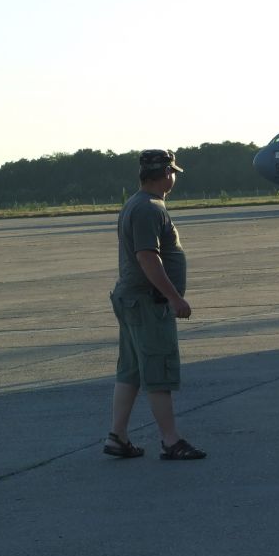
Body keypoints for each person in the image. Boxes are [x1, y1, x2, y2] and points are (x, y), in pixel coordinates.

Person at [104, 150, 206, 460]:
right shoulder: (148, 208)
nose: (173, 177)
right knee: (158, 371)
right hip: (148, 302)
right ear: (166, 174)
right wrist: (174, 296)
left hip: (133, 299)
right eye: (172, 172)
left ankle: (117, 437)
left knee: (131, 371)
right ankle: (171, 441)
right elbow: (147, 257)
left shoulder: (138, 203)